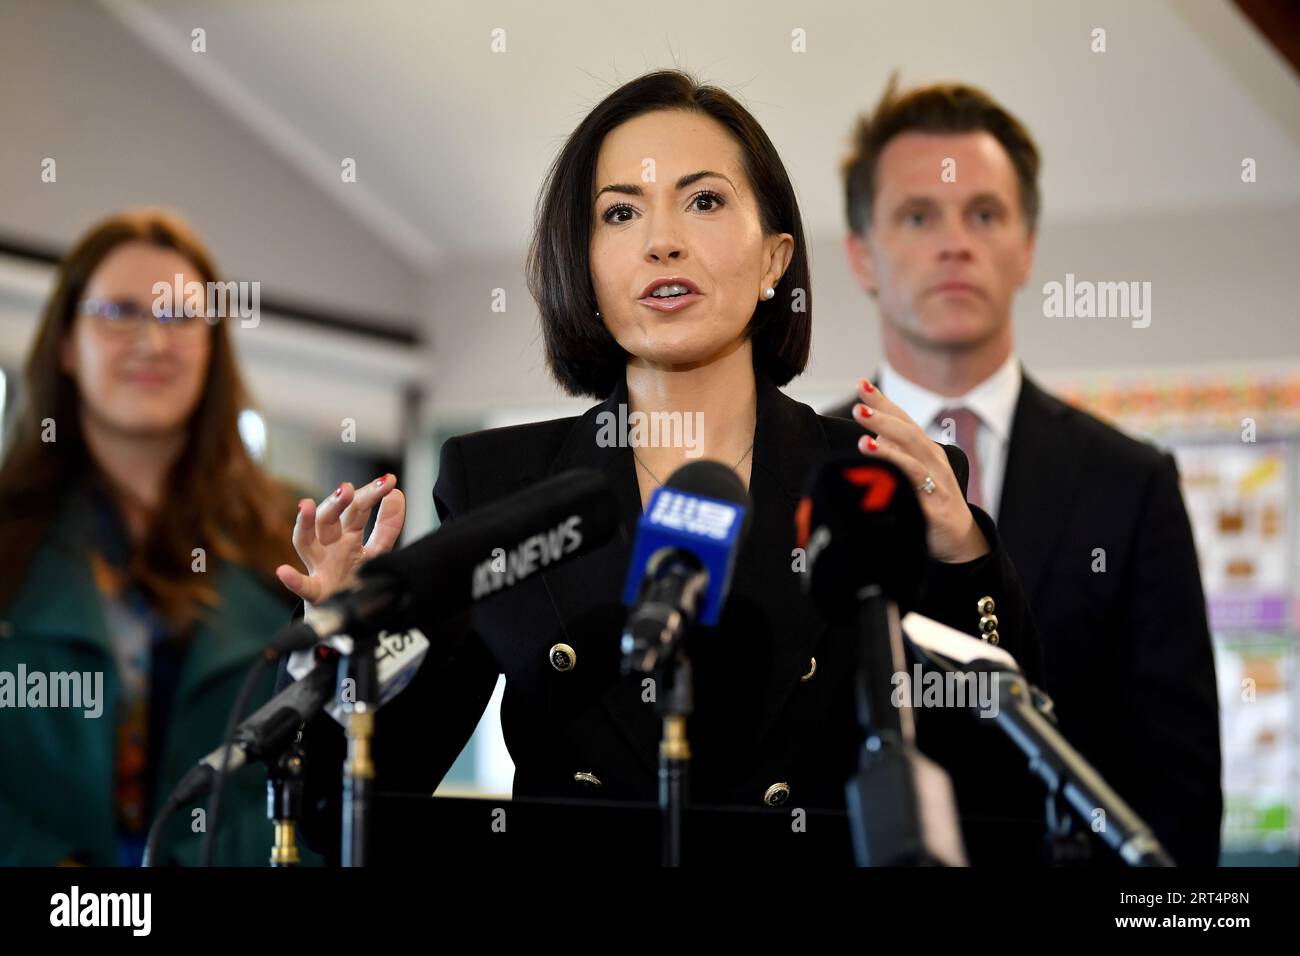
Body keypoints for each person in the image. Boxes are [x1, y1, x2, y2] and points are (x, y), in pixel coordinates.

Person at [276, 71, 1045, 865]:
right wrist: (339, 646)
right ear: (587, 264)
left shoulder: (866, 475)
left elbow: (1001, 793)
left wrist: (965, 561)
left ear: (775, 257)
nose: (661, 240)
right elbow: (362, 805)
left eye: (704, 201)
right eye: (620, 212)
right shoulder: (498, 482)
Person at [824, 79, 1222, 865]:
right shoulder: (803, 464)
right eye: (917, 215)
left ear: (1027, 248)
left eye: (984, 214)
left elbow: (1177, 788)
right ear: (862, 254)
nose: (955, 243)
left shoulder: (1131, 482)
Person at [0, 209, 307, 866]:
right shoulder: (7, 535)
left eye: (178, 318)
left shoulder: (290, 539)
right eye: (119, 313)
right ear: (65, 344)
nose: (152, 342)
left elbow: (323, 773)